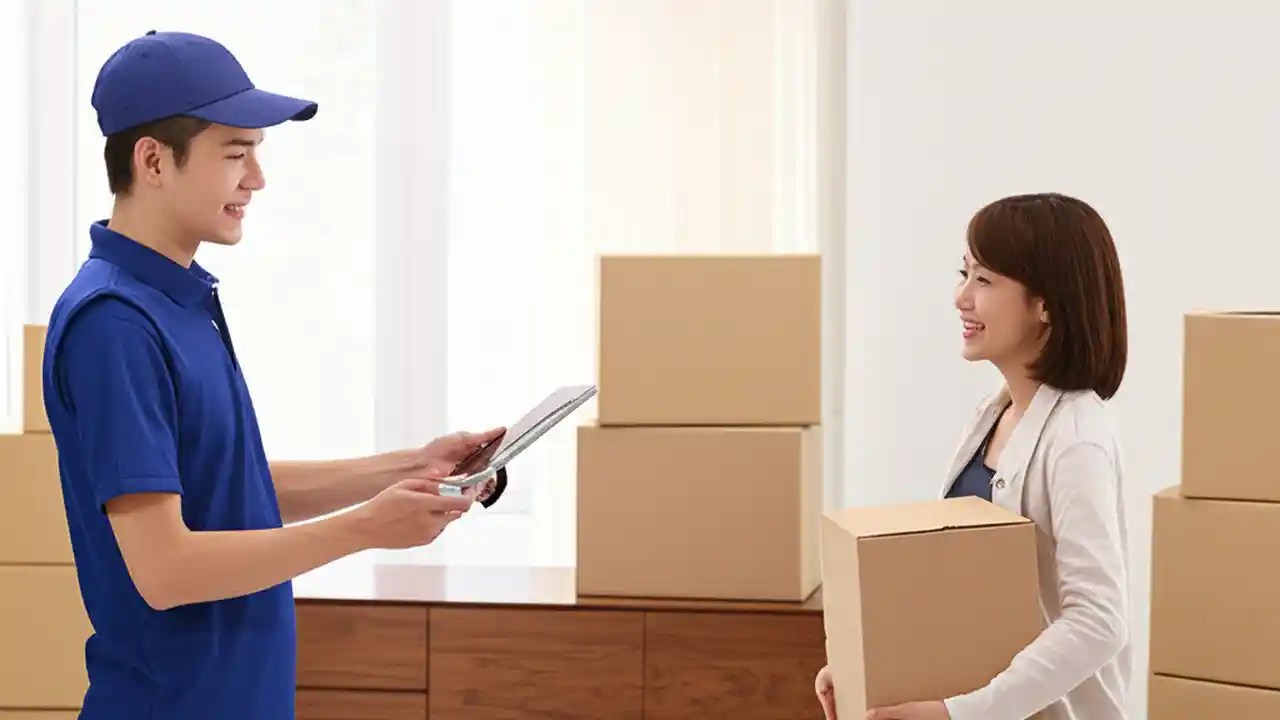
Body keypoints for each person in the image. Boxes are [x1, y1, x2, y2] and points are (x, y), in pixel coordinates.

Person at [41, 30, 508, 719]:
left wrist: (411, 466)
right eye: (236, 154)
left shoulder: (180, 300)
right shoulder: (114, 323)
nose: (256, 180)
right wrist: (367, 529)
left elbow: (232, 492)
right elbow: (165, 570)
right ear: (153, 161)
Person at [815, 193, 1132, 720]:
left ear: (1046, 302)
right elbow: (960, 584)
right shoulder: (992, 413)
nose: (961, 297)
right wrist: (865, 673)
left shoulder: (1077, 437)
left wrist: (959, 714)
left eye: (984, 281)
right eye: (964, 274)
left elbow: (1099, 621)